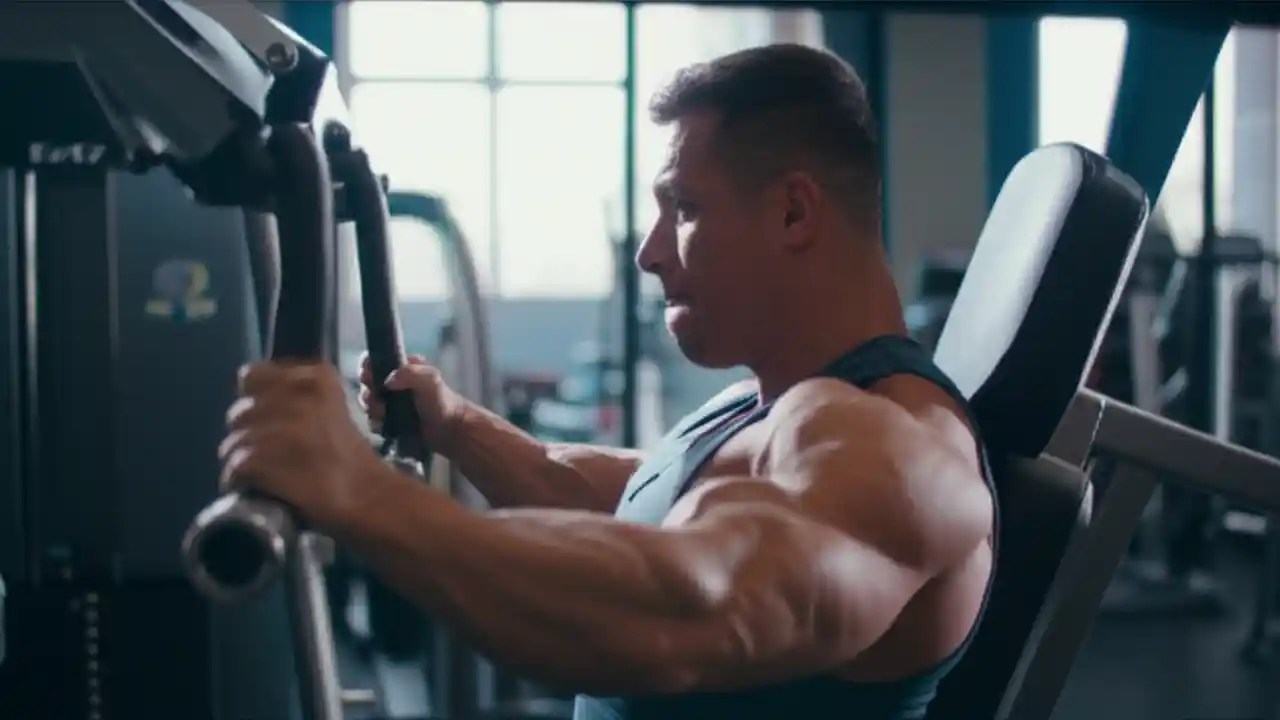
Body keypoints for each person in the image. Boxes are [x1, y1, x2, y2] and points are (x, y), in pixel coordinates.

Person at [219, 43, 996, 720]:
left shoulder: (890, 449)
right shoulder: (764, 406)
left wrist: (358, 491)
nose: (650, 253)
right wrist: (456, 422)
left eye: (683, 209)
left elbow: (695, 612)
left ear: (795, 213)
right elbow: (635, 498)